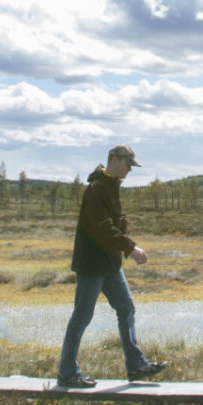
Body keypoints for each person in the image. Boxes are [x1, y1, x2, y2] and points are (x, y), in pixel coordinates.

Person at [55, 144, 167, 387]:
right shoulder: (96, 190)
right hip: (92, 265)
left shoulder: (110, 187)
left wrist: (122, 247)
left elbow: (111, 228)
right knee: (82, 317)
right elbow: (103, 228)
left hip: (110, 264)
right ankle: (67, 372)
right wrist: (130, 247)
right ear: (114, 160)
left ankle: (136, 366)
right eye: (127, 164)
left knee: (126, 308)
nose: (129, 170)